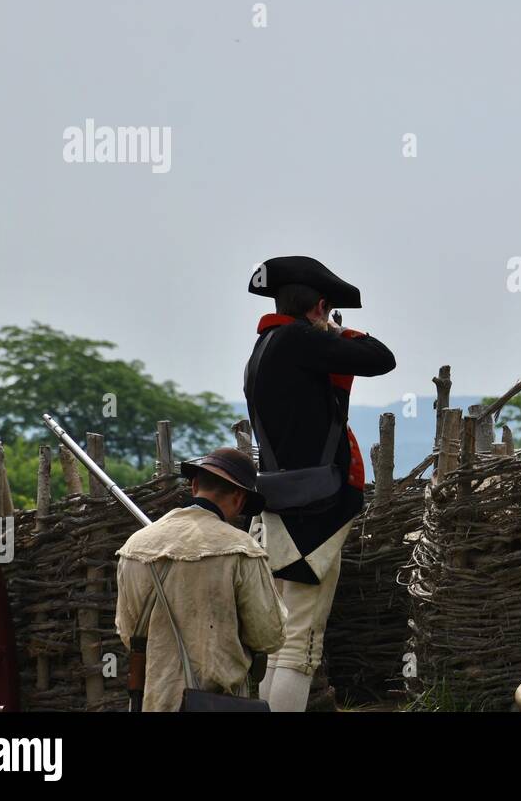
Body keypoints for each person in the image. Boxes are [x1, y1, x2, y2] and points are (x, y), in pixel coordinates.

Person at [245, 254, 396, 711]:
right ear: (318, 307)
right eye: (327, 311)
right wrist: (335, 331)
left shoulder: (266, 345)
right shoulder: (297, 340)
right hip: (316, 507)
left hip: (281, 501)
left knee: (279, 641)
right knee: (299, 645)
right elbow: (381, 358)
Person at [115, 447, 285, 712]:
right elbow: (268, 636)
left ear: (194, 485)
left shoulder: (135, 546)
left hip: (153, 701)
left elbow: (129, 635)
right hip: (219, 703)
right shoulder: (242, 549)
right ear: (239, 498)